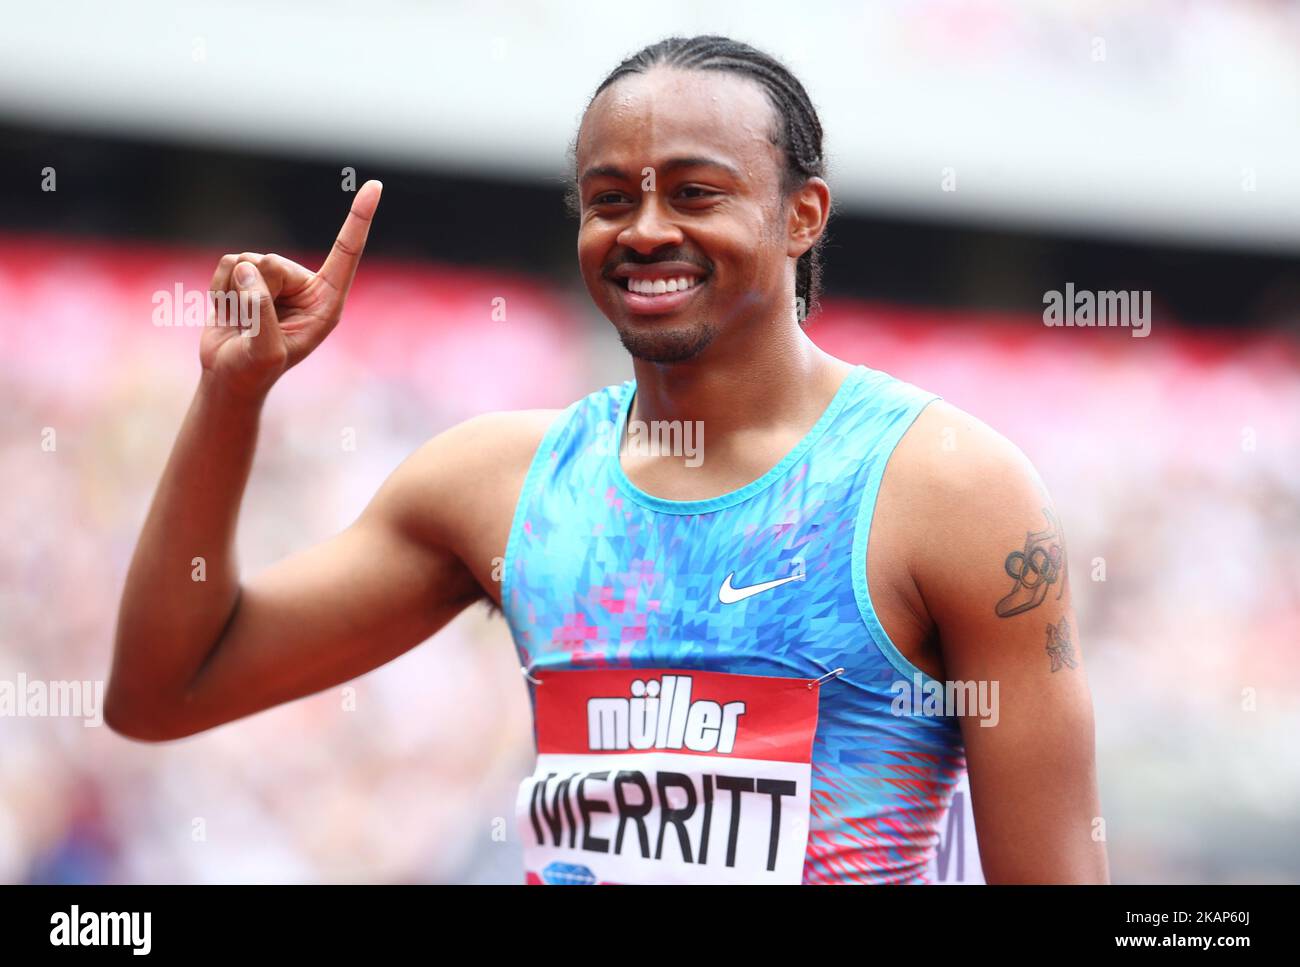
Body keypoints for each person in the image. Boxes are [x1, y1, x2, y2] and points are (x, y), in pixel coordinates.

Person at [107, 35, 1108, 885]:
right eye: (607, 200)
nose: (646, 231)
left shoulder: (949, 491)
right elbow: (165, 691)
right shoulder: (500, 485)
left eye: (695, 192)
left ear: (803, 214)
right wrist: (231, 398)